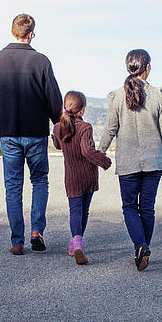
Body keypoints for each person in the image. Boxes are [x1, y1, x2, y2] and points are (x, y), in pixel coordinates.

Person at [0, 14, 63, 255]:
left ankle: (17, 241)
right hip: (36, 132)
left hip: (8, 132)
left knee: (13, 186)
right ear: (31, 34)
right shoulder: (41, 61)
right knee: (39, 180)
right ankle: (37, 230)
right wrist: (57, 123)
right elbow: (54, 99)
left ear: (12, 31)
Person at [99, 49, 162, 271]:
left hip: (128, 163)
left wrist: (99, 151)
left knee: (130, 206)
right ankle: (144, 249)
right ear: (147, 67)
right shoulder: (158, 95)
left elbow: (110, 129)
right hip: (153, 161)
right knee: (147, 207)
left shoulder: (116, 96)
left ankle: (140, 247)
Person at [52, 91, 112, 265]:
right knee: (84, 211)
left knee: (75, 210)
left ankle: (76, 241)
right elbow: (87, 151)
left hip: (71, 177)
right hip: (87, 176)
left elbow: (57, 144)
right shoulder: (85, 128)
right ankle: (77, 242)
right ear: (82, 110)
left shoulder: (57, 127)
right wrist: (104, 161)